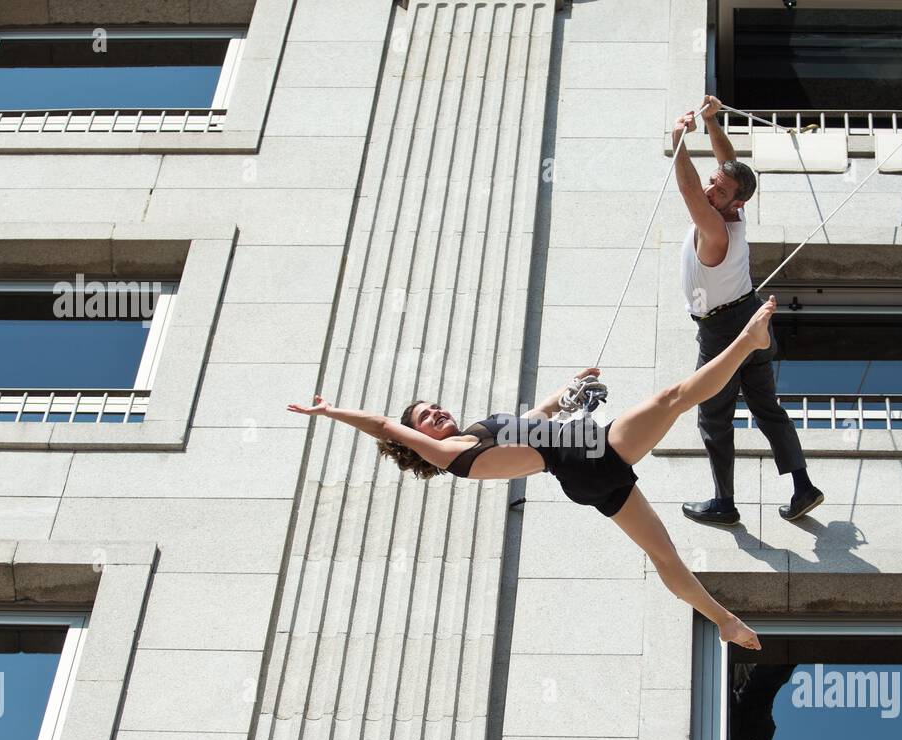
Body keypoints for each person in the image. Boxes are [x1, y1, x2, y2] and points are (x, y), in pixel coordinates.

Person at [287, 298, 783, 651]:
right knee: (673, 398)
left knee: (665, 555)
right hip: (586, 457)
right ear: (415, 437)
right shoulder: (445, 455)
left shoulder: (482, 428)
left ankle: (723, 620)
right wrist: (331, 413)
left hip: (584, 473)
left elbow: (542, 416)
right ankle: (746, 340)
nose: (435, 413)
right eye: (424, 417)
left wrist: (571, 388)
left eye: (435, 406)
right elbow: (380, 424)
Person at [673, 94, 824, 526]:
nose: (709, 189)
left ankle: (724, 502)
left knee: (712, 414)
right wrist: (713, 122)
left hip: (724, 331)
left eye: (719, 191)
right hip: (750, 317)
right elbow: (729, 161)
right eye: (712, 183)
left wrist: (678, 141)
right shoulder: (733, 212)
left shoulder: (716, 228)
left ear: (735, 203)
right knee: (766, 407)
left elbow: (686, 189)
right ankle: (802, 487)